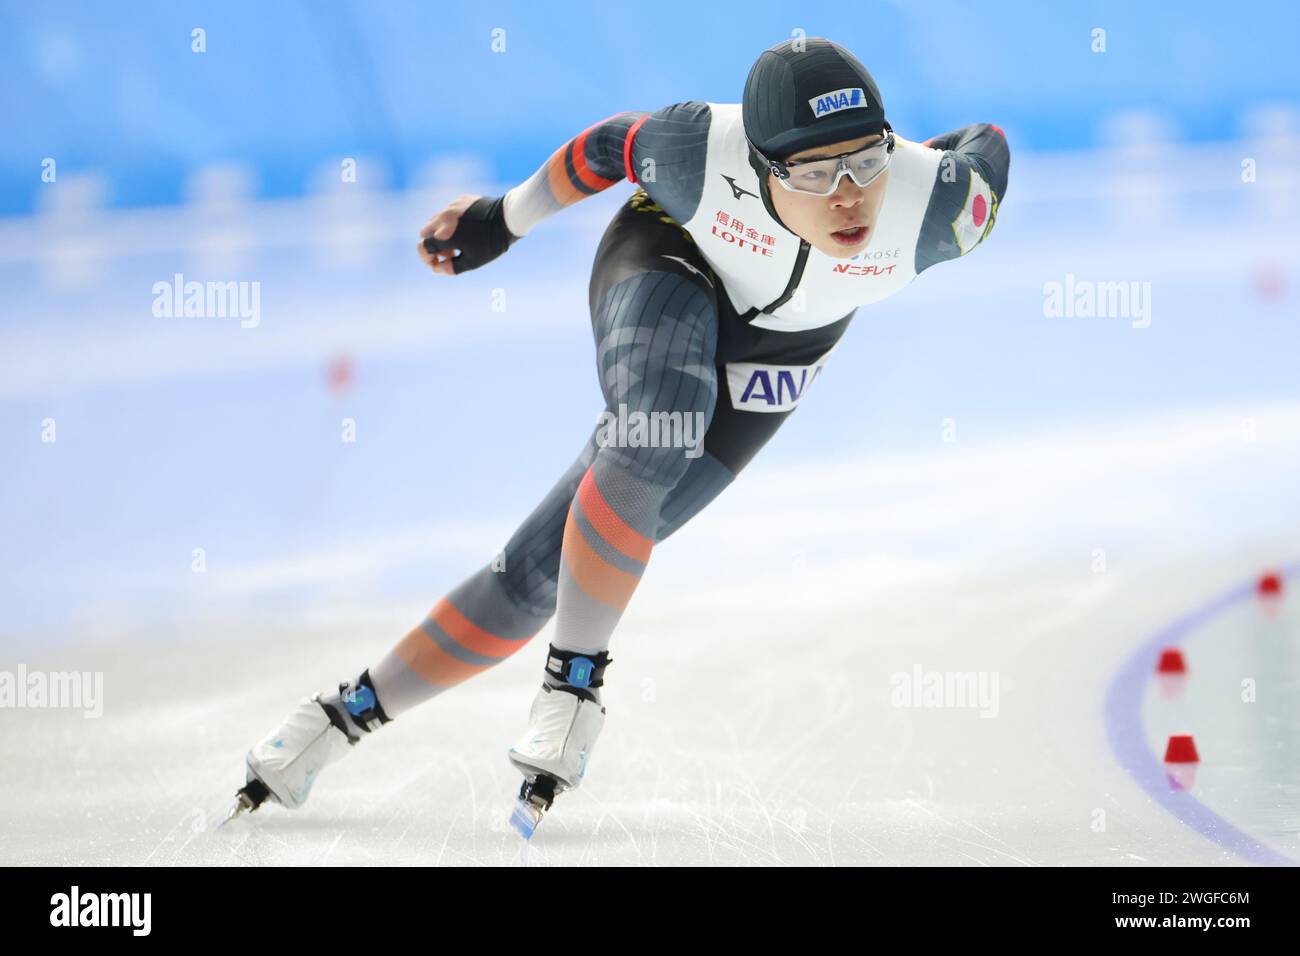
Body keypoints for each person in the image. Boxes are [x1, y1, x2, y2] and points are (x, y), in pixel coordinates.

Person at [226, 37, 1010, 835]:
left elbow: (989, 144)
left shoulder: (941, 207)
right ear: (760, 163)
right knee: (658, 432)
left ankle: (334, 720)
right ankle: (572, 689)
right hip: (668, 257)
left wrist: (910, 157)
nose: (848, 196)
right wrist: (503, 219)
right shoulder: (697, 152)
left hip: (781, 350)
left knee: (541, 573)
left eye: (865, 163)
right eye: (812, 173)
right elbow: (605, 150)